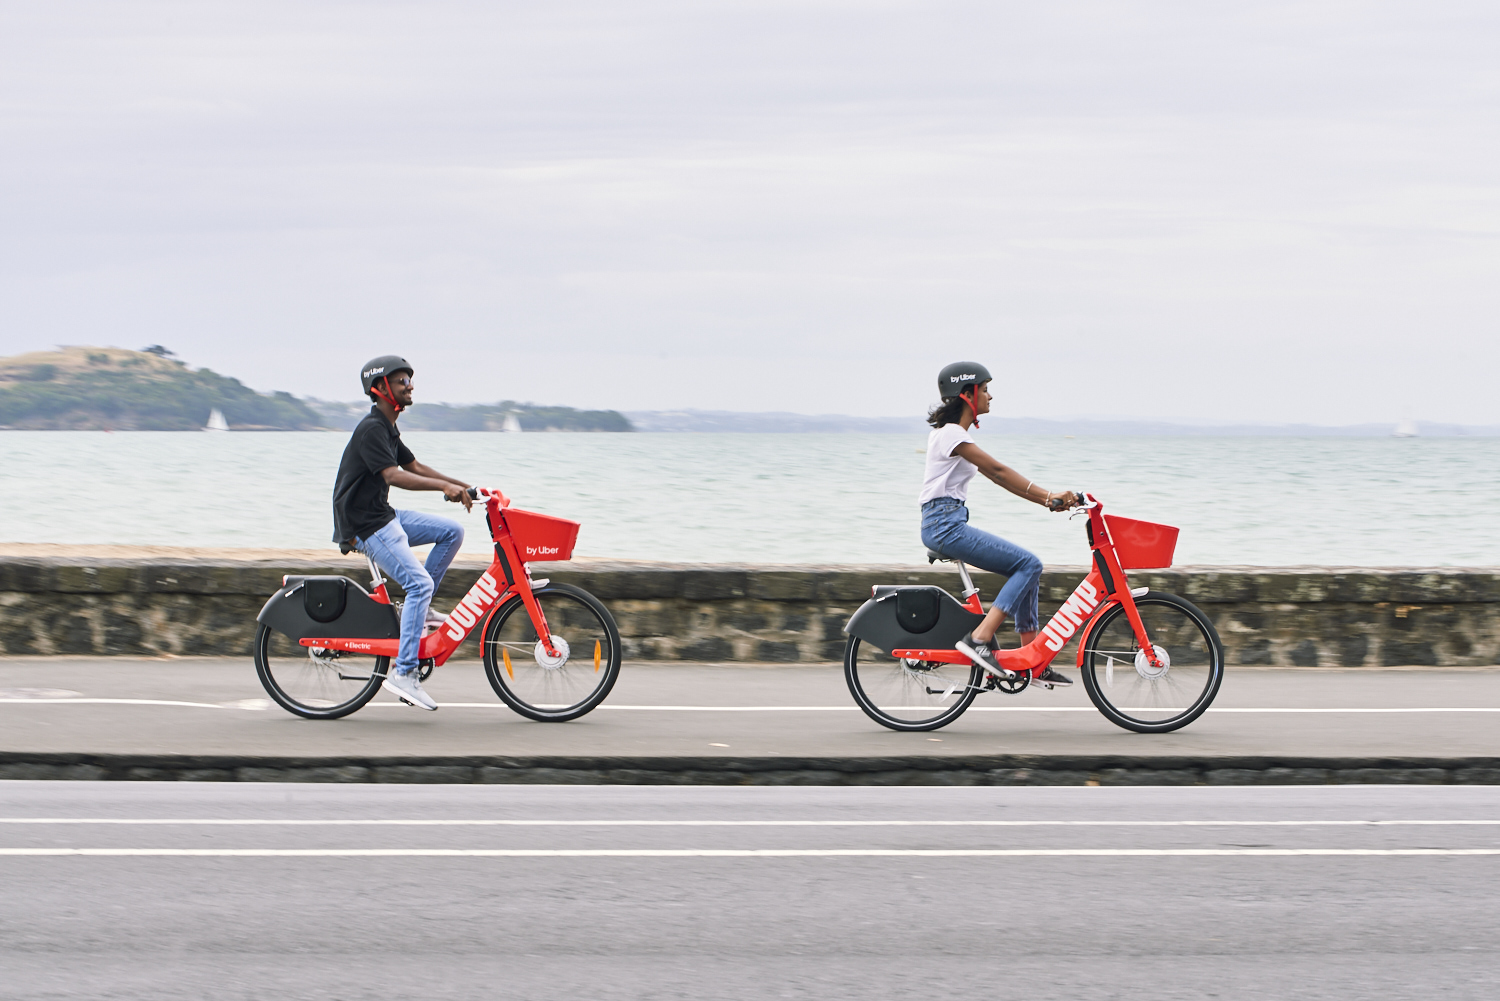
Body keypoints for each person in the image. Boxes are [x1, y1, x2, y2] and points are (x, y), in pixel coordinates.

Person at [332, 355, 484, 711]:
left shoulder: (387, 426)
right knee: (419, 583)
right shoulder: (372, 429)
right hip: (365, 524)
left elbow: (412, 465)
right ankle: (404, 673)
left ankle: (423, 610)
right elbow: (394, 476)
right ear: (382, 389)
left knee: (451, 531)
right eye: (402, 381)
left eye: (409, 380)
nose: (410, 385)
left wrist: (467, 487)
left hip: (383, 514)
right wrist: (442, 490)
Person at [920, 361, 1079, 687]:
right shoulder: (950, 434)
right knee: (1029, 564)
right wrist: (1050, 496)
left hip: (947, 521)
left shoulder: (953, 435)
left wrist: (1048, 501)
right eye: (986, 389)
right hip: (944, 525)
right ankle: (980, 638)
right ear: (967, 394)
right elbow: (998, 471)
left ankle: (1032, 660)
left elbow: (1001, 479)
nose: (991, 396)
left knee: (1026, 570)